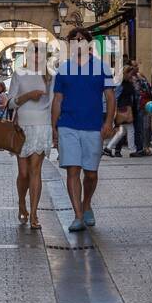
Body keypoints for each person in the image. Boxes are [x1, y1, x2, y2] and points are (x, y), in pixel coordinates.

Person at [51, 28, 116, 232]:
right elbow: (58, 100)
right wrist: (53, 127)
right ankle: (78, 215)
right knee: (72, 169)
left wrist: (108, 123)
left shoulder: (102, 67)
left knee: (91, 174)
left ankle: (86, 204)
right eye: (73, 40)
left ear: (88, 44)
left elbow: (110, 97)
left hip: (93, 127)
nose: (77, 43)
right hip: (68, 125)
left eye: (80, 39)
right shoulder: (63, 69)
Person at [7, 40, 53, 229]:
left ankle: (34, 213)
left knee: (35, 171)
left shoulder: (51, 76)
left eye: (40, 52)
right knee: (23, 173)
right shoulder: (19, 74)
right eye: (33, 52)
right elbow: (10, 103)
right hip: (23, 127)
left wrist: (55, 127)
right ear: (27, 54)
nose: (37, 55)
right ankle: (21, 202)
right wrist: (28, 95)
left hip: (42, 125)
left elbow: (54, 103)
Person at [103, 65, 136, 157]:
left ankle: (108, 148)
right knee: (130, 129)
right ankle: (132, 150)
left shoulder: (126, 83)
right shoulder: (121, 84)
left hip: (124, 108)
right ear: (126, 73)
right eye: (130, 73)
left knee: (122, 131)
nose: (132, 75)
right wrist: (114, 110)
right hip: (124, 109)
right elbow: (115, 97)